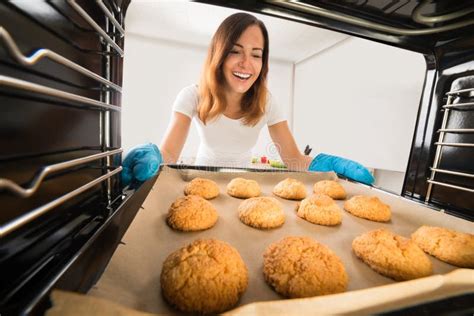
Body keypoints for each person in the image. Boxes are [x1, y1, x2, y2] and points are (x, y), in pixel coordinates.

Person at [122, 12, 374, 186]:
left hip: (244, 184)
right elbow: (170, 154)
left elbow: (293, 159)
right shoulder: (192, 95)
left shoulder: (267, 102)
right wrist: (153, 156)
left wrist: (326, 164)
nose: (246, 64)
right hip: (199, 179)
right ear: (218, 56)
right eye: (235, 51)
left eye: (256, 54)